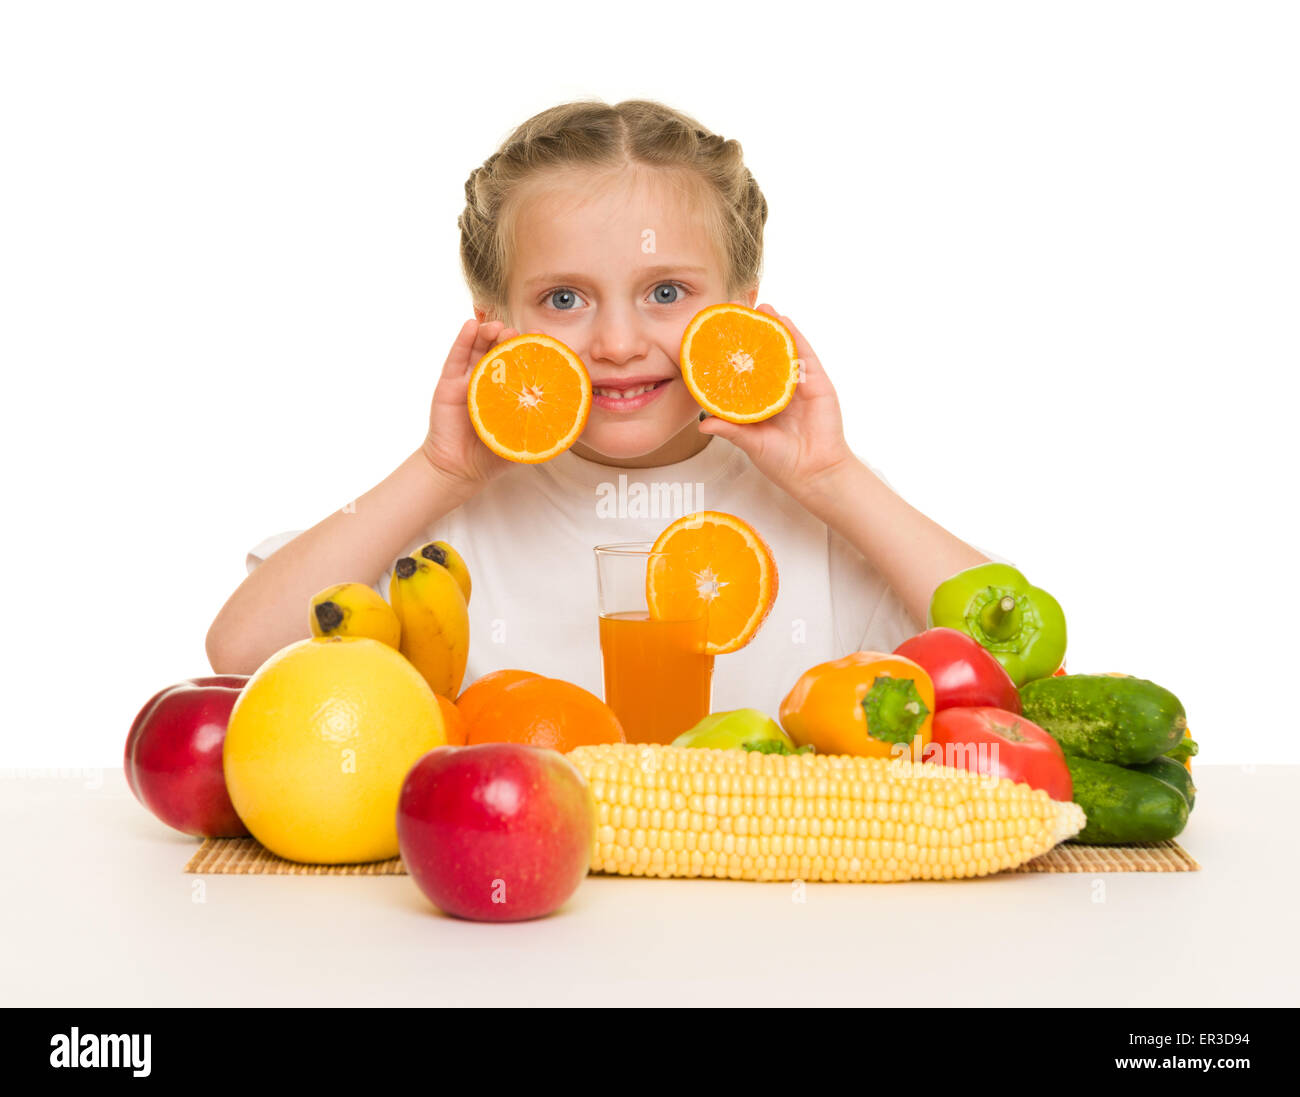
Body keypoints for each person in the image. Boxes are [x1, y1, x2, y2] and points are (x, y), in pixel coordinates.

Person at [205, 98, 998, 719]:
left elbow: (1011, 659)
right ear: (495, 321)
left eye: (665, 292)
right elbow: (240, 652)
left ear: (740, 315)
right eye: (563, 298)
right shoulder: (445, 521)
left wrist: (833, 477)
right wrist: (438, 470)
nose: (617, 342)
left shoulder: (823, 504)